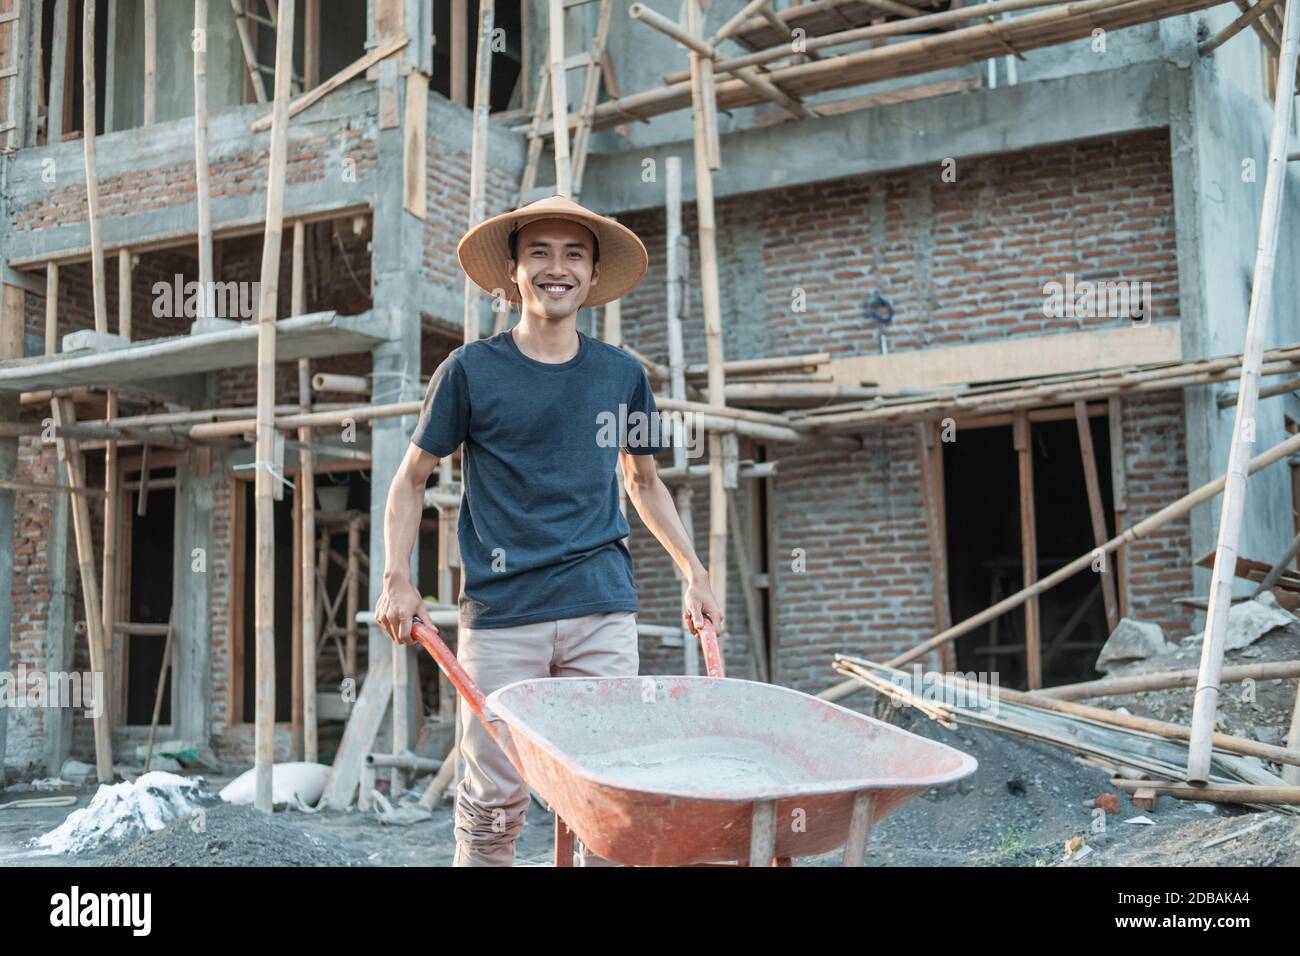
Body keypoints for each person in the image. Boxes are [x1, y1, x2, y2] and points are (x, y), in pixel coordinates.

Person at [374, 194, 724, 866]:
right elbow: (410, 479)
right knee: (495, 800)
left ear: (592, 276)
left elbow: (643, 482)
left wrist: (694, 574)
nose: (555, 267)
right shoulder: (470, 371)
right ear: (514, 272)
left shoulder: (623, 375)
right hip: (504, 615)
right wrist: (397, 579)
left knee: (610, 795)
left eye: (573, 255)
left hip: (601, 608)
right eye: (539, 252)